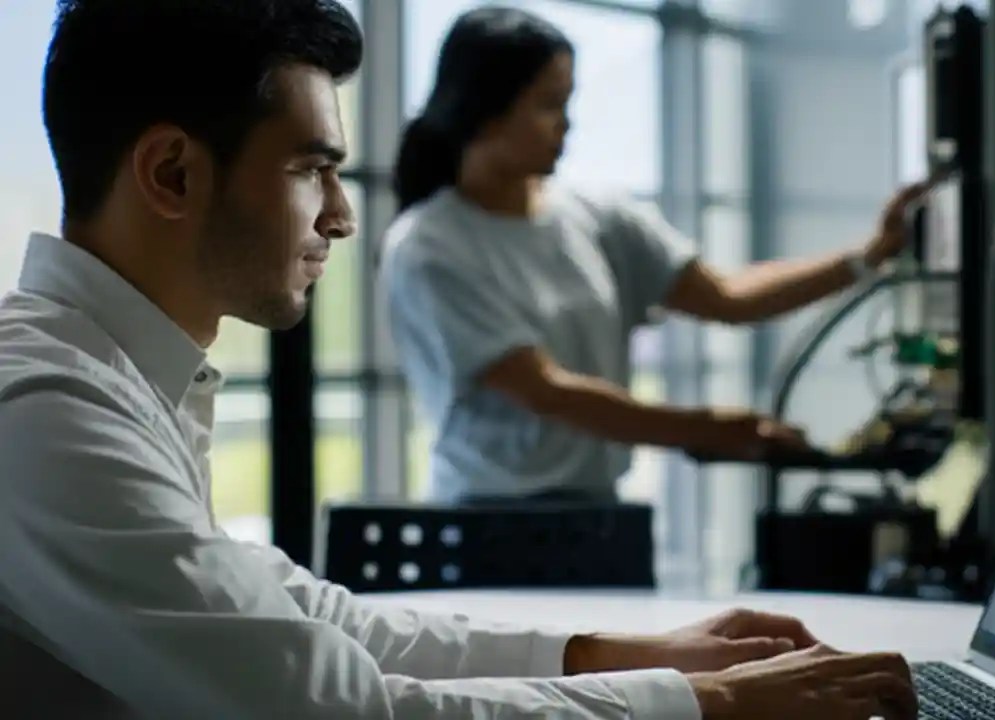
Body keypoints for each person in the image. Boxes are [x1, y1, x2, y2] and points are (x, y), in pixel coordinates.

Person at [0, 1, 919, 718]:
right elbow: (320, 707)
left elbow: (315, 622)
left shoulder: (117, 381)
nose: (341, 215)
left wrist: (637, 657)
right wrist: (703, 704)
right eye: (306, 169)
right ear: (171, 174)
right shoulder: (49, 411)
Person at [383, 6, 933, 505]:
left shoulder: (599, 217)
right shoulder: (431, 247)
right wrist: (705, 428)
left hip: (600, 511)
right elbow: (545, 391)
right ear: (486, 111)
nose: (567, 124)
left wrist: (869, 256)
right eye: (549, 105)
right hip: (486, 521)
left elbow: (727, 297)